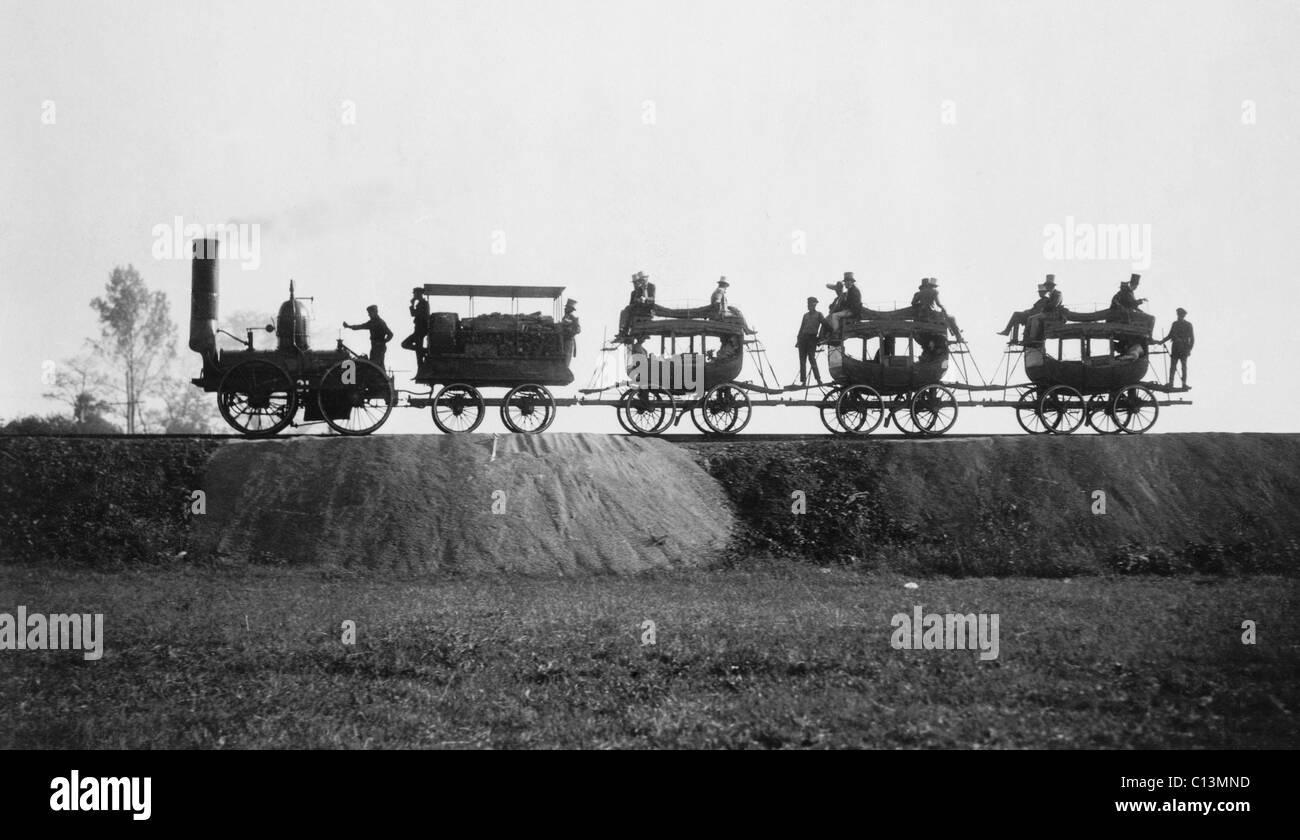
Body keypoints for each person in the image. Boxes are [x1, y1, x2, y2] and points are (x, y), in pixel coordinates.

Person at [998, 274, 1056, 342]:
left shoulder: (1046, 300)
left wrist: (1029, 312)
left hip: (1034, 316)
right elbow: (1033, 309)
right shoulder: (1040, 300)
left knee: (1016, 314)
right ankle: (1014, 338)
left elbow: (1039, 311)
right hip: (1032, 315)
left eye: (1041, 292)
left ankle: (1007, 331)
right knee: (1017, 317)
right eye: (1039, 292)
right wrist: (1027, 311)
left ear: (1045, 292)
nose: (1040, 294)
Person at [913, 277, 964, 342]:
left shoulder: (918, 293)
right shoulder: (934, 292)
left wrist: (921, 305)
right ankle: (959, 337)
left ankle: (955, 334)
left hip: (922, 316)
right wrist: (944, 309)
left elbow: (913, 303)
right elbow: (938, 304)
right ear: (932, 285)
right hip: (932, 315)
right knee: (952, 318)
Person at [1157, 307, 1194, 388]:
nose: (1179, 316)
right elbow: (1170, 335)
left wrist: (1189, 350)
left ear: (1183, 315)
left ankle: (1183, 384)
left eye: (1181, 315)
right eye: (1179, 315)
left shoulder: (1188, 325)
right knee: (1173, 367)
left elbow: (1192, 339)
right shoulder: (1175, 324)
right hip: (1177, 348)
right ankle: (1171, 383)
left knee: (1183, 367)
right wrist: (1161, 341)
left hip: (1183, 349)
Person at [793, 296, 825, 386]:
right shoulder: (805, 315)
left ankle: (818, 380)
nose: (808, 306)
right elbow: (801, 328)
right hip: (803, 339)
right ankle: (803, 382)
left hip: (812, 339)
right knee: (802, 361)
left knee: (812, 359)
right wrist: (798, 340)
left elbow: (825, 325)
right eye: (808, 304)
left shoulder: (819, 315)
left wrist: (820, 338)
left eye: (810, 304)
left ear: (814, 305)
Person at [1024, 276, 1064, 344]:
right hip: (1048, 313)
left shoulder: (1058, 293)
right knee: (1030, 318)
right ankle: (1027, 337)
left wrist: (1044, 307)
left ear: (1052, 286)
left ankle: (1032, 338)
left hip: (1054, 315)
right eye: (1047, 286)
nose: (1047, 288)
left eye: (1048, 286)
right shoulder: (1051, 294)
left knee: (1035, 318)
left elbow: (1054, 304)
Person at [824, 272, 863, 339]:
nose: (846, 284)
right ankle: (828, 334)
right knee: (830, 317)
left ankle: (836, 333)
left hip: (853, 311)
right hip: (850, 310)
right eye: (845, 282)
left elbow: (851, 304)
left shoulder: (853, 291)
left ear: (851, 282)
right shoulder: (849, 291)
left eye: (847, 282)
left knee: (835, 316)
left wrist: (842, 307)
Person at [618, 272, 656, 337]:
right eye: (635, 282)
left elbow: (653, 298)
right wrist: (639, 300)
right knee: (627, 310)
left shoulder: (651, 286)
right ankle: (623, 330)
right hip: (639, 307)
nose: (636, 284)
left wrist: (645, 299)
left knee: (628, 310)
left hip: (648, 307)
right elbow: (635, 299)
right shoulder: (638, 289)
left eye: (642, 280)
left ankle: (625, 330)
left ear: (646, 278)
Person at [400, 287, 430, 363]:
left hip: (421, 329)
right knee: (417, 351)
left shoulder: (423, 303)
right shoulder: (421, 303)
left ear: (420, 294)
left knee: (407, 345)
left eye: (416, 293)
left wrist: (412, 304)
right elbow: (413, 314)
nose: (414, 295)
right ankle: (423, 350)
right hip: (419, 329)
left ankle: (424, 350)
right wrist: (412, 304)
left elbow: (414, 314)